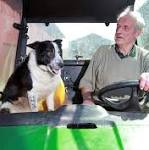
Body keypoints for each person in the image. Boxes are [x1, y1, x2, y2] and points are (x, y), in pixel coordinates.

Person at [79, 8, 149, 105]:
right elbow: (87, 83)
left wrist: (147, 76)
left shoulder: (145, 56)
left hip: (134, 109)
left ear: (137, 32)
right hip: (103, 108)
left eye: (125, 27)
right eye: (118, 26)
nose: (119, 31)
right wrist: (87, 100)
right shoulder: (102, 52)